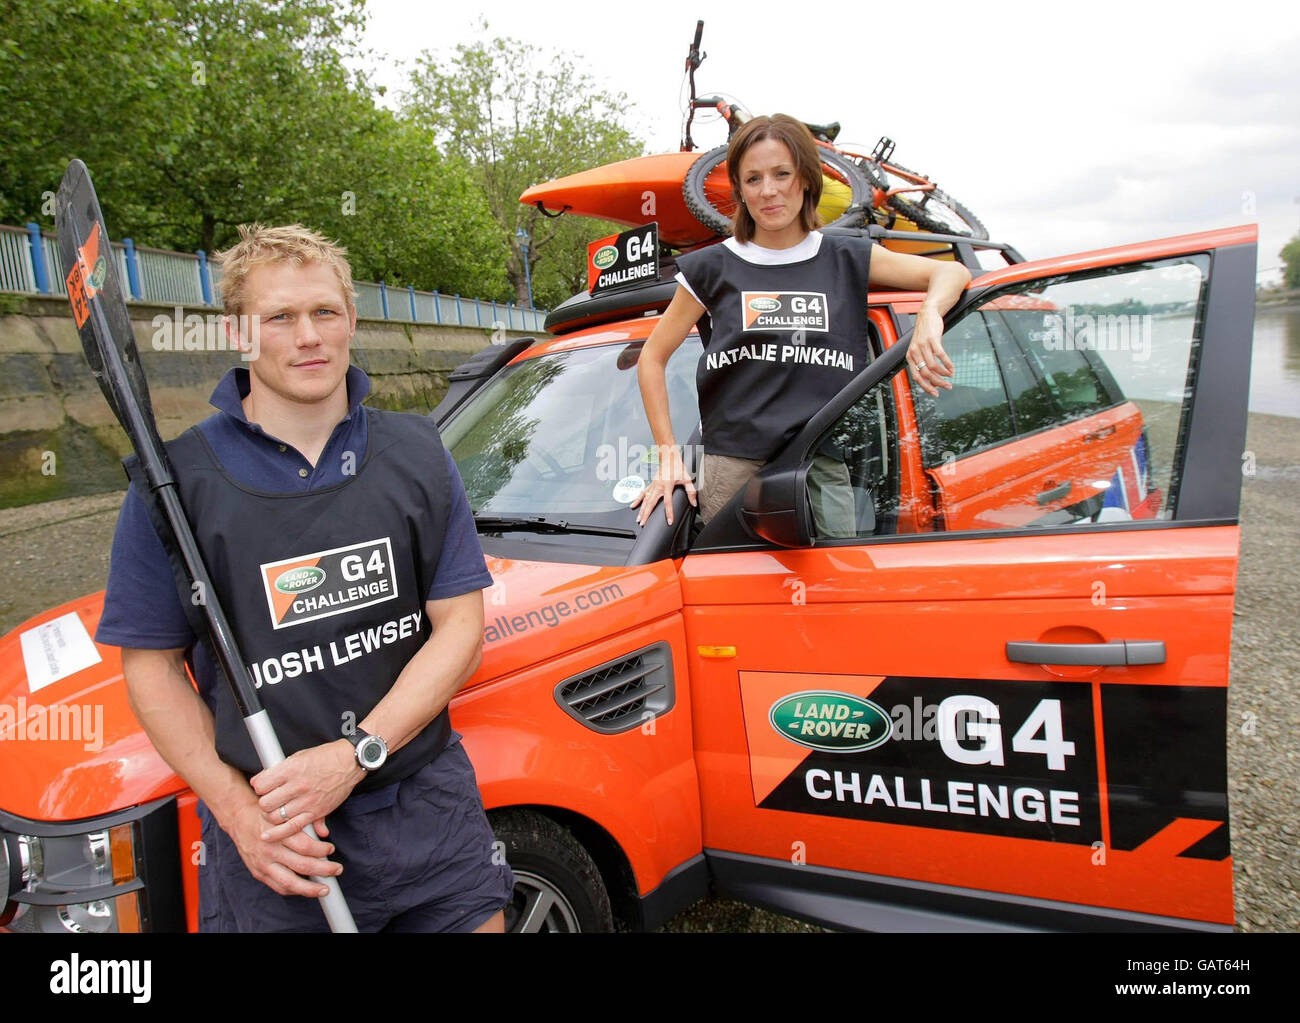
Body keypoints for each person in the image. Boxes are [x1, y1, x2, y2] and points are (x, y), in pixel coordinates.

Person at [95, 224, 514, 932]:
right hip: (278, 841)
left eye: (324, 311)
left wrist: (357, 753)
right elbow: (153, 670)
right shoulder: (175, 482)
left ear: (351, 319)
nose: (308, 336)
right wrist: (237, 813)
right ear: (240, 333)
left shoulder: (415, 449)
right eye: (279, 318)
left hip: (426, 809)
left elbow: (460, 629)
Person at [633, 114, 971, 530]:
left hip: (821, 461)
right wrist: (668, 457)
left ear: (807, 180)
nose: (769, 190)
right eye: (753, 179)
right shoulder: (711, 267)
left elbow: (951, 273)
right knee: (733, 590)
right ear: (739, 189)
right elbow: (652, 358)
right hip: (731, 468)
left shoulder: (846, 257)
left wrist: (928, 316)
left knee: (831, 590)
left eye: (782, 174)